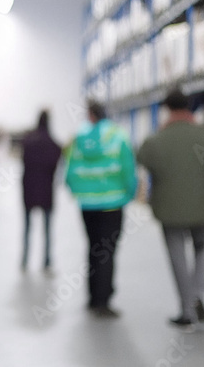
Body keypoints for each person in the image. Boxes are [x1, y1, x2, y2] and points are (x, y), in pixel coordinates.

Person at [137, 88, 204, 329]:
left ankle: (187, 309)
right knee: (200, 248)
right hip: (201, 206)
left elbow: (143, 162)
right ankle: (197, 294)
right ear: (190, 107)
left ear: (166, 108)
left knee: (177, 255)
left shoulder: (156, 141)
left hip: (169, 207)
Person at [65, 100, 137, 318]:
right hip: (112, 204)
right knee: (107, 251)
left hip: (87, 204)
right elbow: (128, 170)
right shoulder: (118, 136)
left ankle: (92, 297)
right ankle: (103, 301)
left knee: (93, 248)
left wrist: (79, 191)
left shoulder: (78, 138)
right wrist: (128, 194)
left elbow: (69, 171)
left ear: (90, 115)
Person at [20, 110, 62, 271]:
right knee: (47, 230)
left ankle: (24, 260)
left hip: (29, 190)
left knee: (27, 228)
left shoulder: (28, 141)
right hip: (46, 192)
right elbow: (57, 159)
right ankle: (47, 262)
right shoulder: (52, 144)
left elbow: (24, 158)